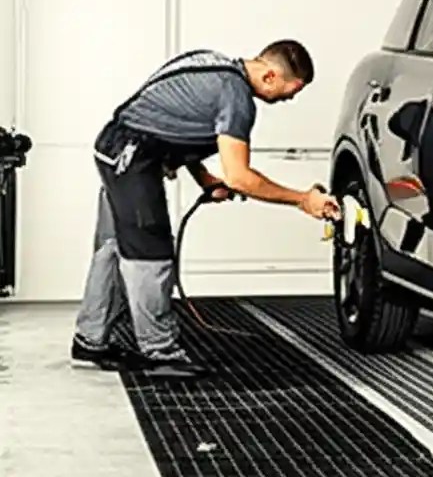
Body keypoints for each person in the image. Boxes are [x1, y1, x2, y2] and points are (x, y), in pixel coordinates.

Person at [71, 40, 340, 378]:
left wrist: (205, 180)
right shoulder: (236, 96)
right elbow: (241, 177)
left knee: (116, 247)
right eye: (292, 90)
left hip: (115, 149)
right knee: (149, 254)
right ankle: (160, 353)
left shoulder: (212, 64)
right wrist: (303, 200)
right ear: (270, 75)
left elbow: (173, 123)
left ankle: (90, 339)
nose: (290, 99)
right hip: (133, 158)